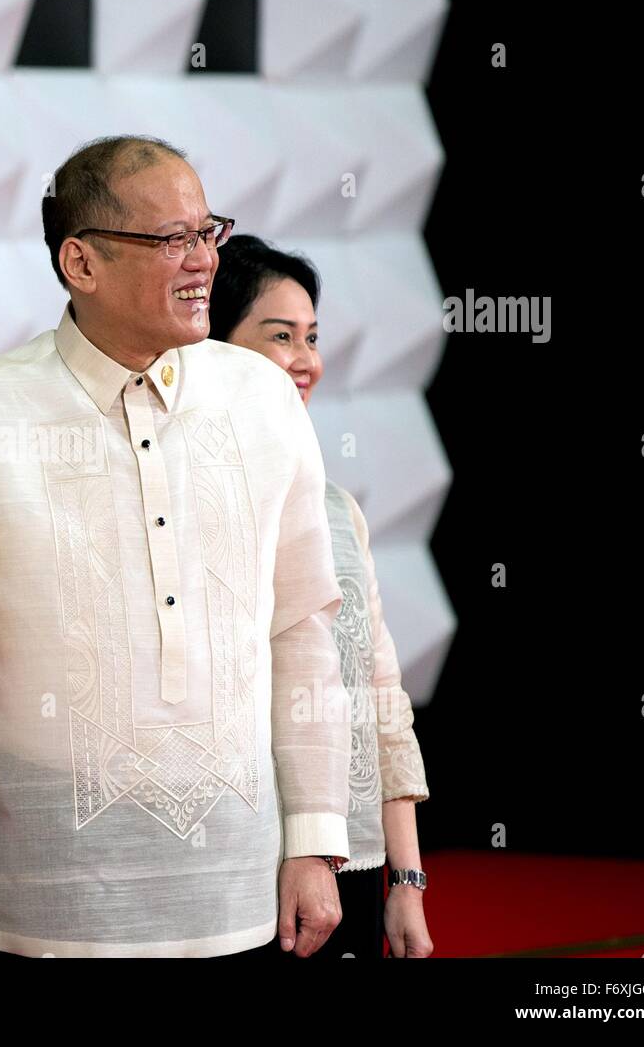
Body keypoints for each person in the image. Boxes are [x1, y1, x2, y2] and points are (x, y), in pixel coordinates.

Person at [0, 136, 352, 958]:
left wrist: (314, 841)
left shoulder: (262, 401)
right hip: (56, 900)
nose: (203, 260)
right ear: (81, 262)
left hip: (239, 893)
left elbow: (303, 632)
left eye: (208, 232)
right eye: (171, 239)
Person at [208, 234, 433, 958]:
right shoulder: (193, 503)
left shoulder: (338, 508)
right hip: (247, 870)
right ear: (217, 344)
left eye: (312, 336)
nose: (307, 359)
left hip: (357, 864)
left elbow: (380, 699)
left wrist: (407, 877)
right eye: (281, 336)